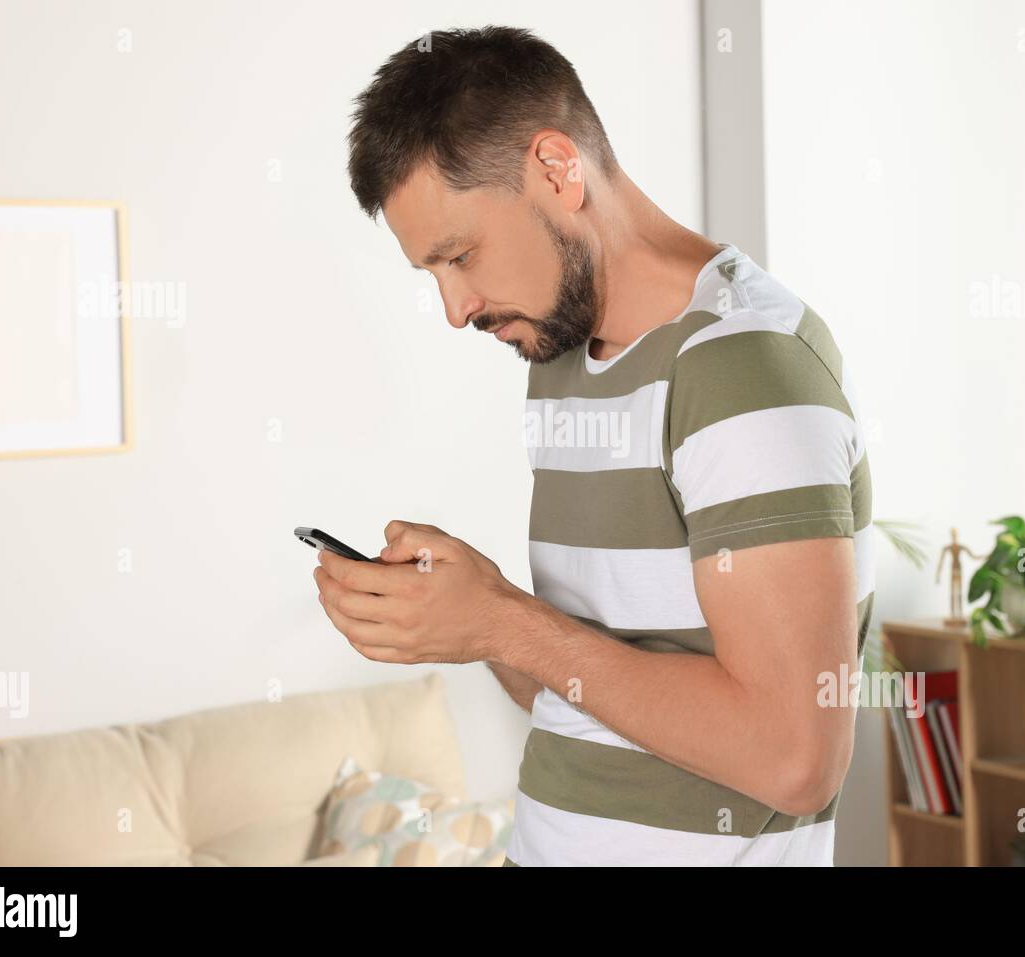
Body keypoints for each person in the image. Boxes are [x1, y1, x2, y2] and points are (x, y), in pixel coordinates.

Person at [314, 25, 875, 866]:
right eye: (432, 274)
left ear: (555, 168)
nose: (455, 308)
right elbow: (584, 691)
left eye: (460, 255)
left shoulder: (743, 366)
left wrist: (505, 620)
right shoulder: (561, 355)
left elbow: (795, 757)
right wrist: (477, 617)